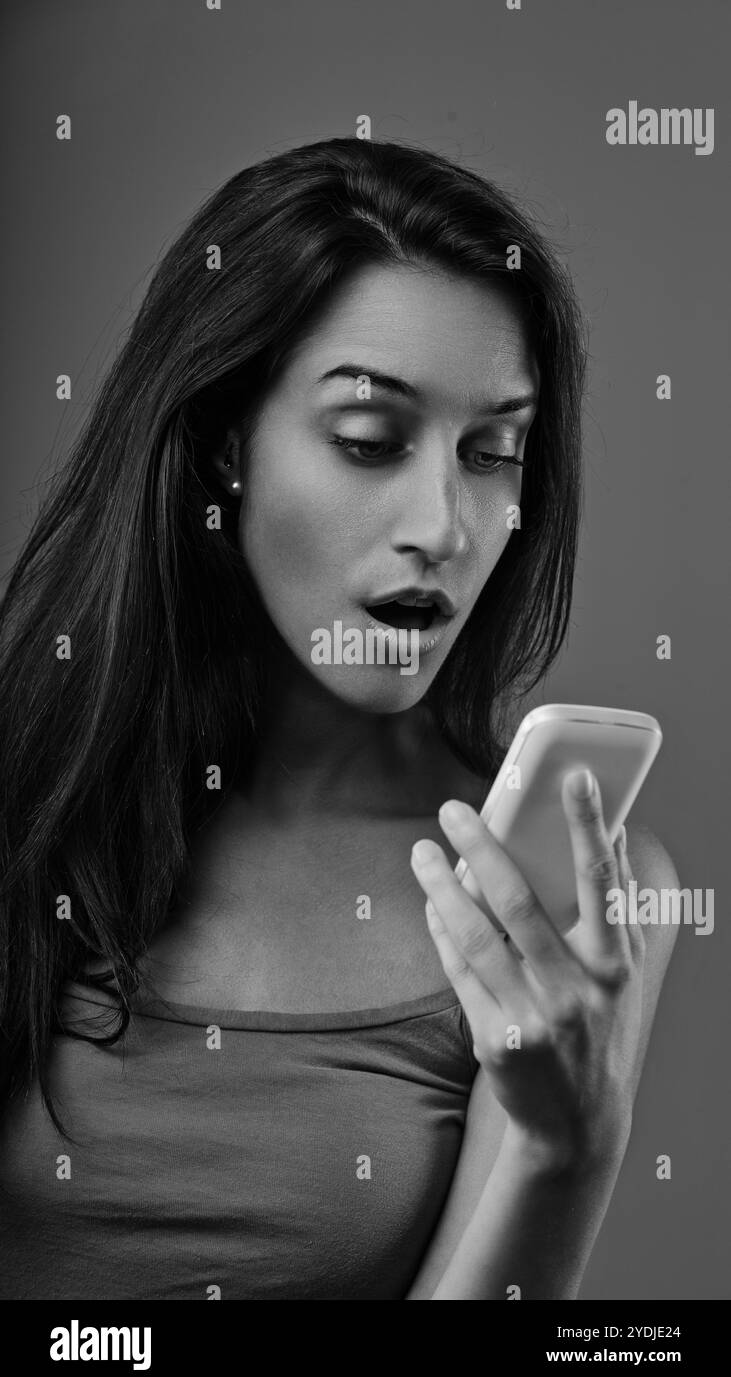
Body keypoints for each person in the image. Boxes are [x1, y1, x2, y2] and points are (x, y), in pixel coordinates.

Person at [0, 137, 679, 1300]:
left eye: (491, 452)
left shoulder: (571, 893)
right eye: (370, 441)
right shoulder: (32, 789)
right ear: (222, 446)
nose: (446, 523)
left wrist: (565, 1150)